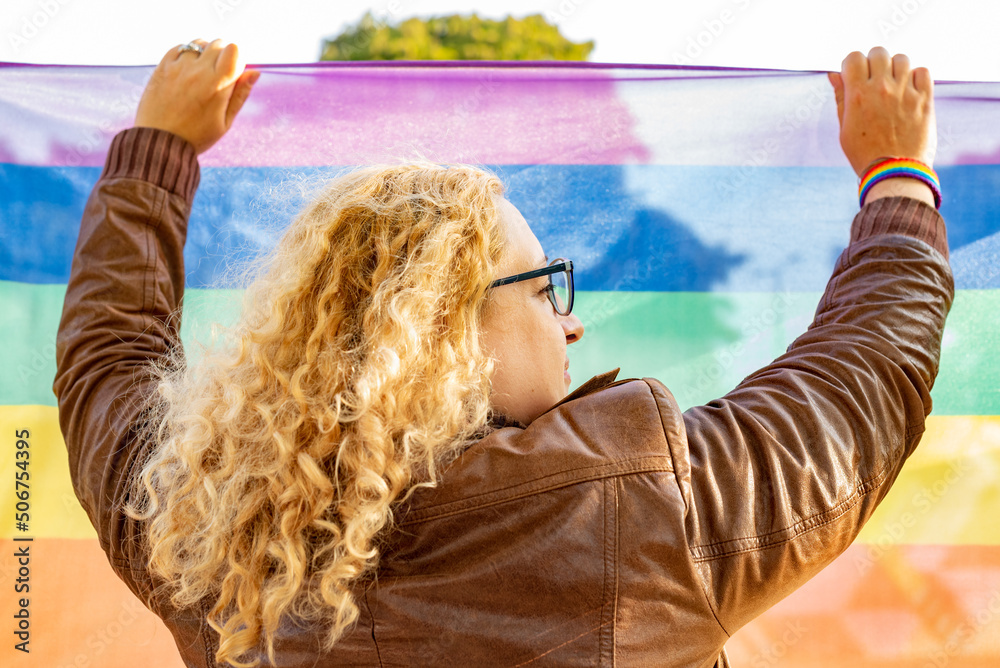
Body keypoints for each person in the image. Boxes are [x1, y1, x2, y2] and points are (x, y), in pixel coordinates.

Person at [53, 39, 952, 667]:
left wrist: (155, 154)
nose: (571, 325)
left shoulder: (203, 537)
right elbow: (860, 381)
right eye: (541, 286)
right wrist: (898, 177)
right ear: (443, 333)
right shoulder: (640, 512)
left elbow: (108, 361)